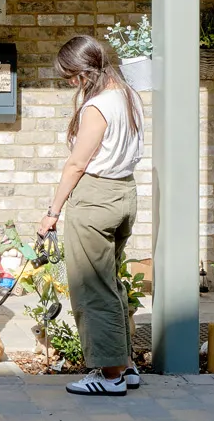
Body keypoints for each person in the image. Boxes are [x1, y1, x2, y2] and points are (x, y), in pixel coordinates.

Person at [37, 34, 145, 396]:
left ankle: (109, 375)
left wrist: (52, 211)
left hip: (95, 198)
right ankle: (125, 366)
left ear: (85, 71)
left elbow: (77, 164)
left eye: (70, 76)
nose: (69, 83)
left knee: (91, 288)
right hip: (124, 194)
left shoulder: (98, 106)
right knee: (110, 283)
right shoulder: (129, 95)